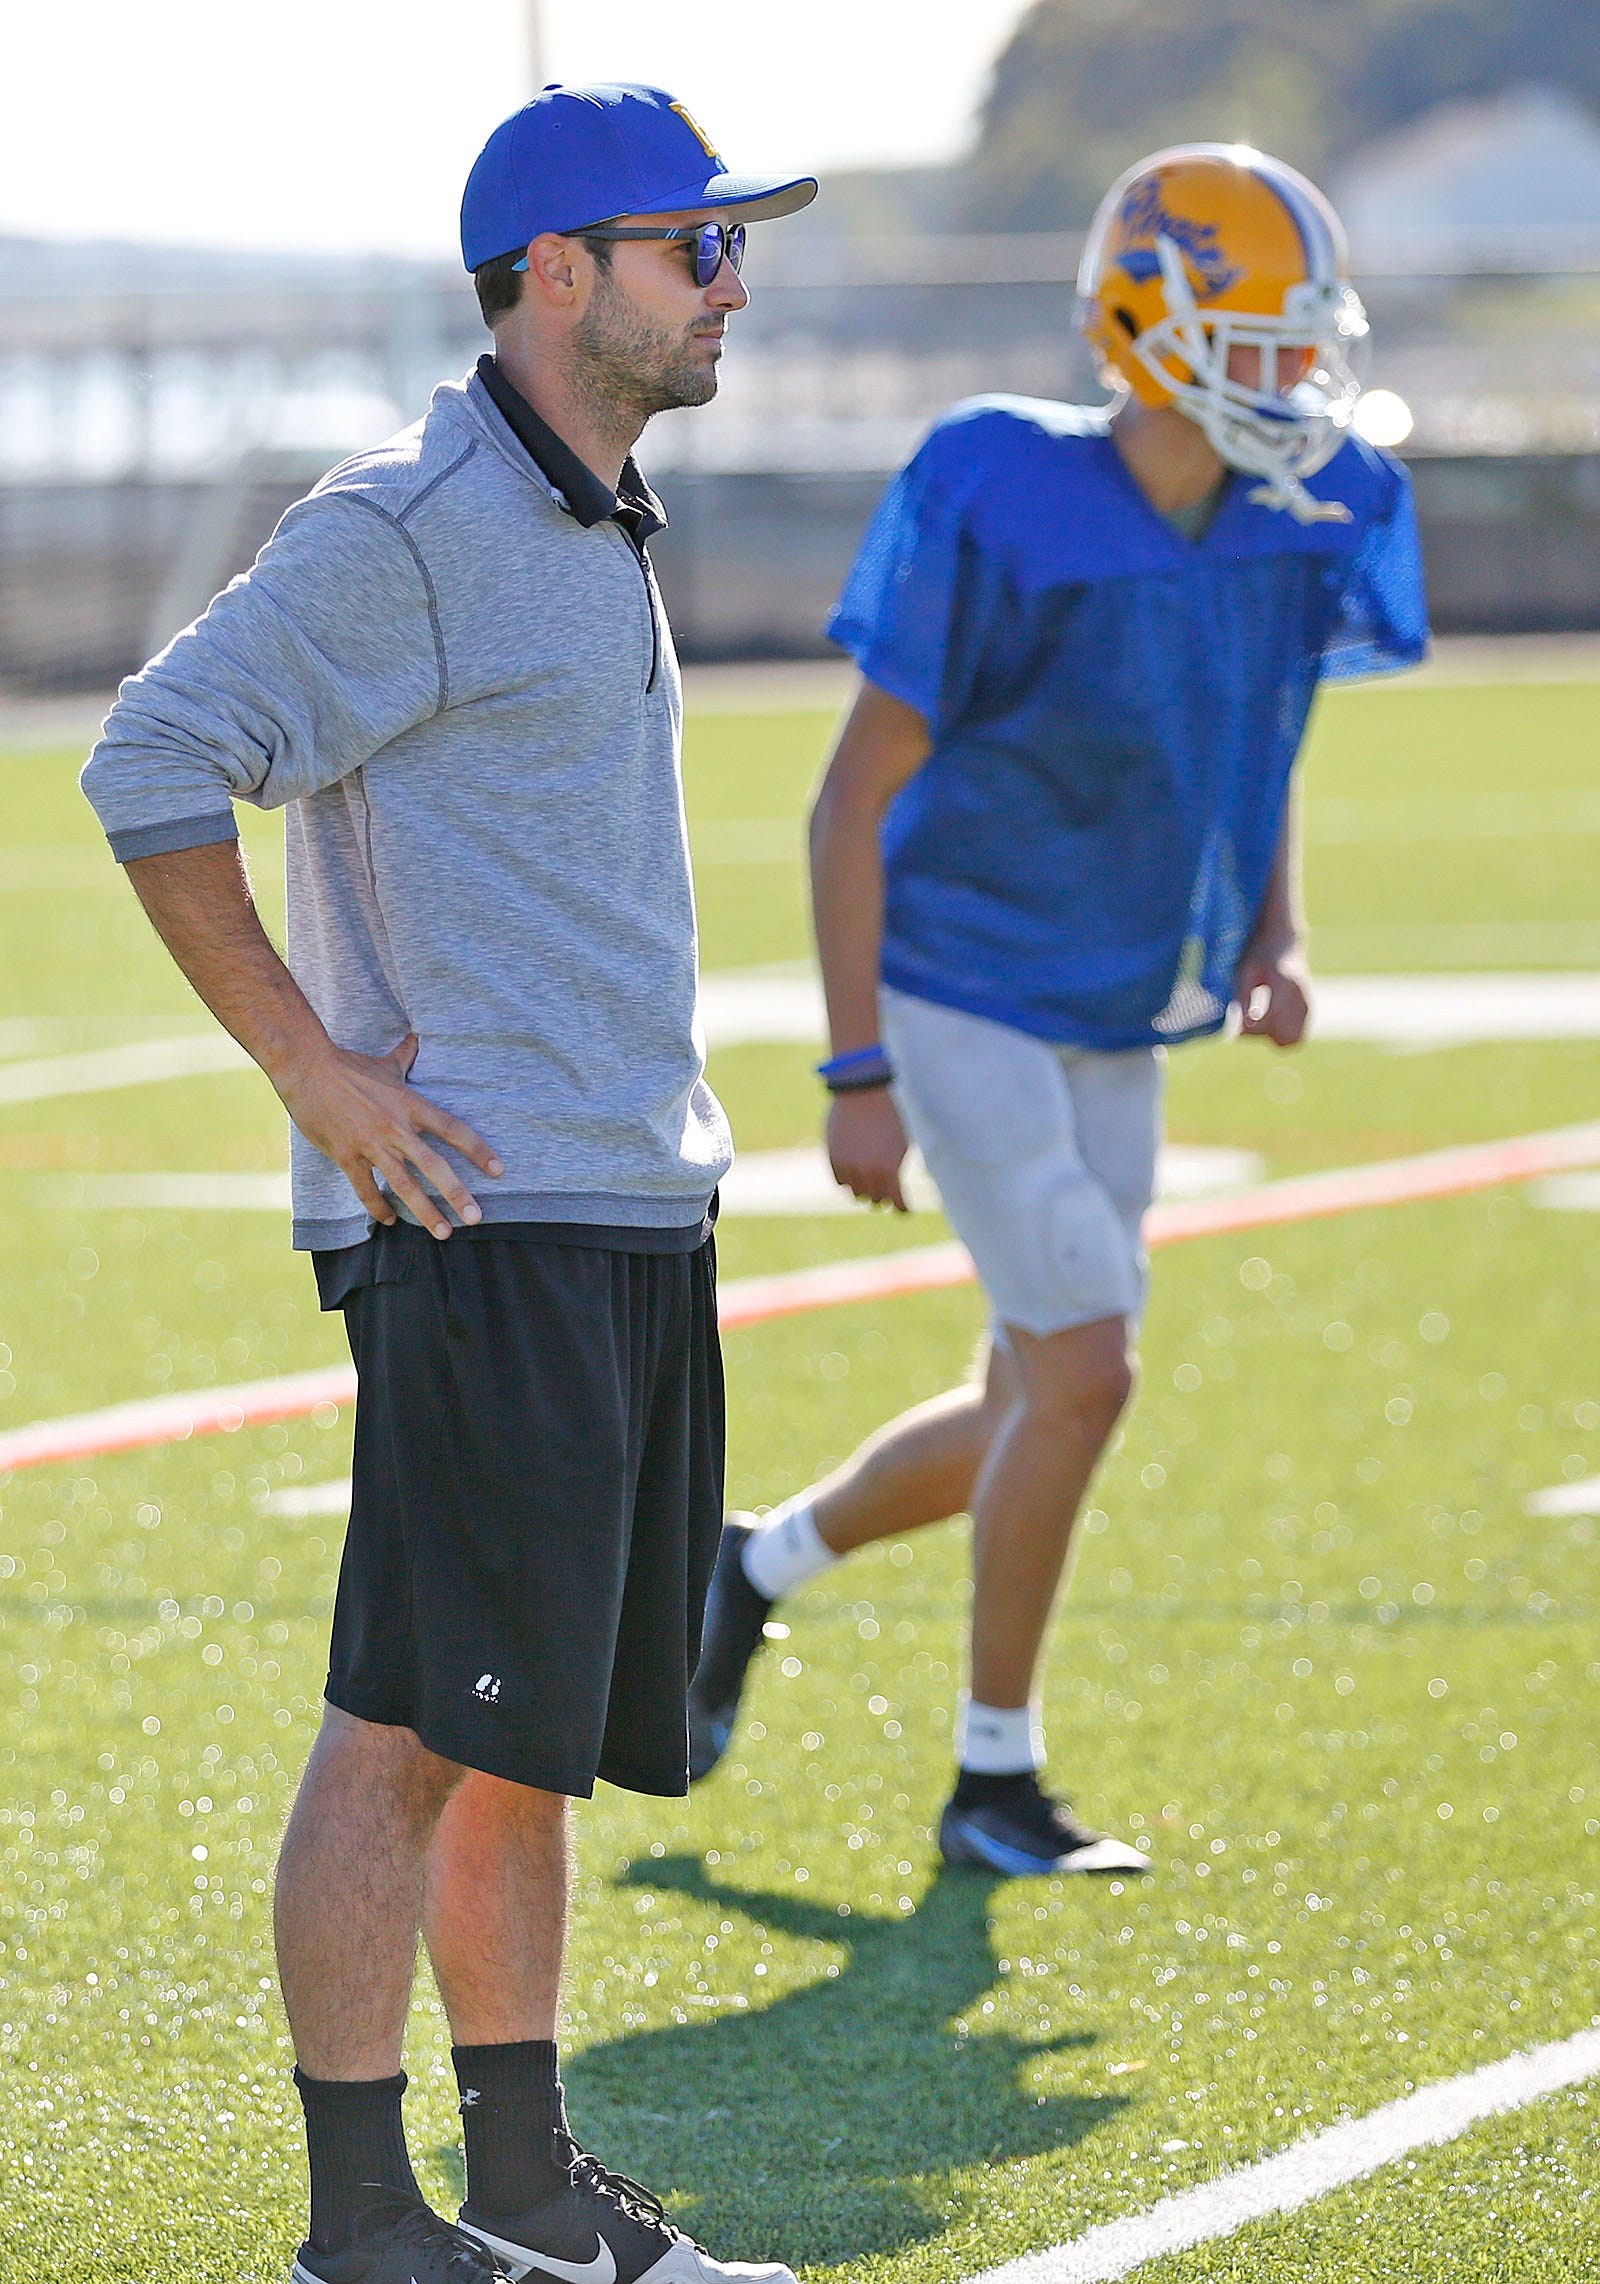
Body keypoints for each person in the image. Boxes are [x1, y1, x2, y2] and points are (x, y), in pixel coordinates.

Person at [81, 81, 816, 2284]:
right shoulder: (408, 523)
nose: (729, 281)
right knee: (409, 1723)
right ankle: (357, 2224)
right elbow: (151, 758)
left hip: (615, 1207)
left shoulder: (591, 511)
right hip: (480, 1220)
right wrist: (315, 1072)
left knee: (523, 1742)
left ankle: (518, 2195)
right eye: (695, 243)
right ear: (557, 274)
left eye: (732, 243)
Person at [688, 144, 1428, 1881]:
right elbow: (848, 798)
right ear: (1147, 325)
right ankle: (991, 1781)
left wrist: (1278, 925)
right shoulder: (998, 482)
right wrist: (856, 1068)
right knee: (1088, 1363)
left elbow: (1259, 736)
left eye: (1307, 344)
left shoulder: (1307, 513)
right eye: (1260, 342)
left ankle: (757, 1566)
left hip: (1119, 995)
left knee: (1042, 1383)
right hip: (963, 983)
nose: (1294, 381)